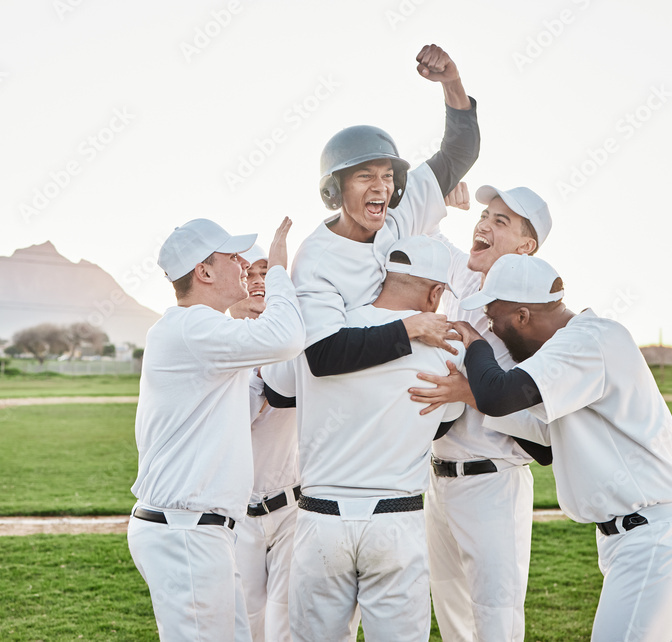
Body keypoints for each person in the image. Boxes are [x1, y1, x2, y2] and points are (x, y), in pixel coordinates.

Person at [452, 253, 672, 641]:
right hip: (647, 531)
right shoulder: (581, 343)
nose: (491, 331)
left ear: (522, 316)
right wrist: (469, 394)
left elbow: (498, 394)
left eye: (492, 321)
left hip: (649, 537)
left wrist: (474, 345)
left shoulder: (587, 341)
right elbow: (546, 445)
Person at [263, 236, 466, 642]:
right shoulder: (449, 350)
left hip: (321, 518)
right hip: (396, 519)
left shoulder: (322, 334)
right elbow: (444, 424)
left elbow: (276, 391)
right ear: (436, 293)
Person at [127, 218, 305, 642]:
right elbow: (286, 336)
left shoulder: (196, 332)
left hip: (199, 531)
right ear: (203, 272)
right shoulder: (194, 327)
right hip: (187, 532)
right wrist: (279, 272)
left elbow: (245, 403)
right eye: (233, 257)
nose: (244, 265)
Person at [410, 182, 553, 641]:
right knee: (452, 621)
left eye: (501, 221)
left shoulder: (538, 315)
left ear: (526, 247)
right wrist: (439, 191)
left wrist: (472, 393)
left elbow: (547, 434)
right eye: (484, 216)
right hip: (437, 481)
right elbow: (418, 224)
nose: (484, 225)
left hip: (493, 485)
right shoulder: (465, 275)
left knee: (496, 621)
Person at [291, 43, 479, 378]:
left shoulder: (396, 213)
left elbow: (459, 152)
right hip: (331, 395)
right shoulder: (315, 259)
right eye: (365, 176)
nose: (380, 187)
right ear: (335, 189)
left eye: (388, 176)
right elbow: (323, 355)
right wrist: (412, 327)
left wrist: (452, 83)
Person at [227, 244, 301, 642]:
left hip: (293, 506)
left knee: (287, 624)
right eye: (248, 274)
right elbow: (234, 422)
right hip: (237, 513)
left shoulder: (294, 342)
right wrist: (260, 375)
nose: (258, 281)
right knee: (246, 622)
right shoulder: (218, 345)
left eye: (266, 272)